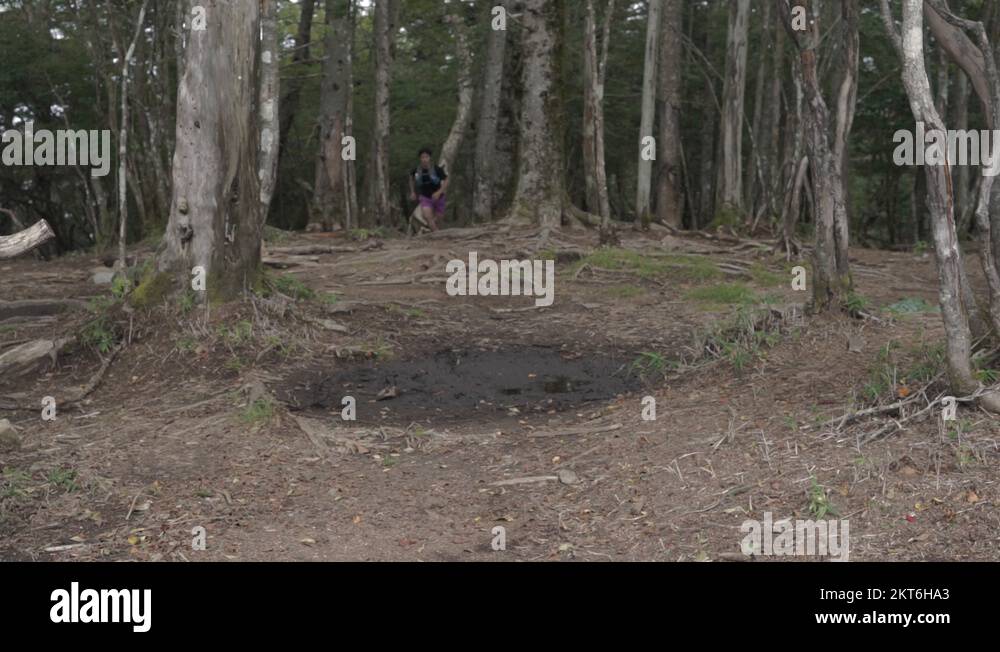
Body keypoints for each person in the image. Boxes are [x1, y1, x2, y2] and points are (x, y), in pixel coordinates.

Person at [409, 148, 449, 232]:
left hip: (438, 197)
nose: (424, 159)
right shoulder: (416, 170)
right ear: (420, 159)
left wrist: (439, 192)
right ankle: (437, 235)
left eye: (426, 157)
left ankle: (431, 230)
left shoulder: (436, 169)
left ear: (429, 158)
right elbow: (411, 179)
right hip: (425, 197)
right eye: (422, 157)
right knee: (427, 217)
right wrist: (412, 192)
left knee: (438, 218)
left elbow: (446, 180)